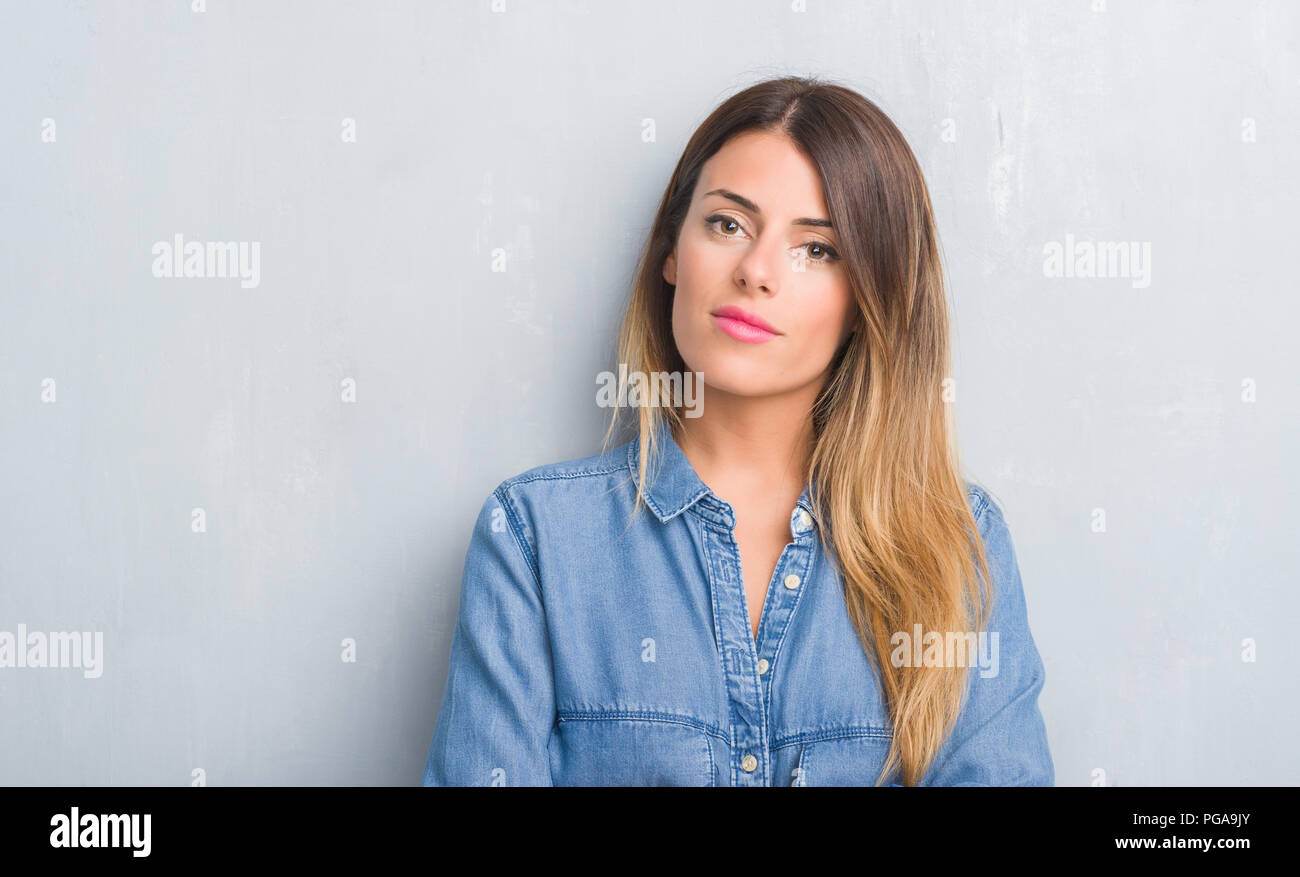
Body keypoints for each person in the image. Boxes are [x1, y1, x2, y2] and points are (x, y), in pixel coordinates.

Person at [421, 75, 1053, 786]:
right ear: (670, 251)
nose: (756, 271)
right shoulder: (535, 536)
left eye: (817, 249)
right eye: (729, 224)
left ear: (868, 300)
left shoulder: (962, 545)